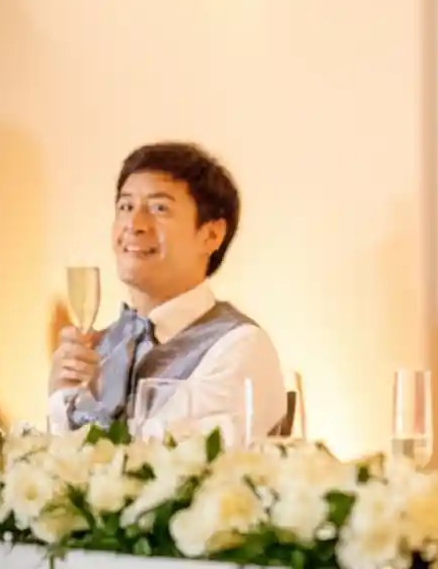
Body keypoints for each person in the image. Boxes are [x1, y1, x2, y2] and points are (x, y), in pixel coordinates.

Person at [47, 142, 287, 443]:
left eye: (159, 208)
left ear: (211, 235)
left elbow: (168, 467)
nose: (134, 224)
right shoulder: (104, 345)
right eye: (126, 206)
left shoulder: (238, 346)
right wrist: (62, 397)